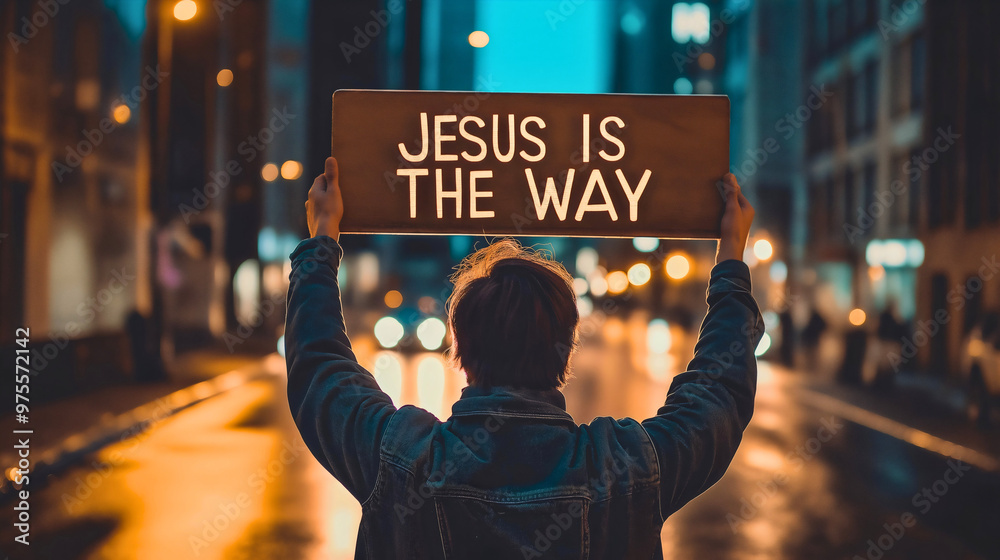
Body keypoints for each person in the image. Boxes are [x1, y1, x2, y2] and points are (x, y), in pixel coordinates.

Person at [285, 157, 763, 558]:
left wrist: (322, 241)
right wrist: (731, 259)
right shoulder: (626, 469)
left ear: (460, 348)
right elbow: (717, 394)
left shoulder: (402, 458)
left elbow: (319, 366)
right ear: (565, 349)